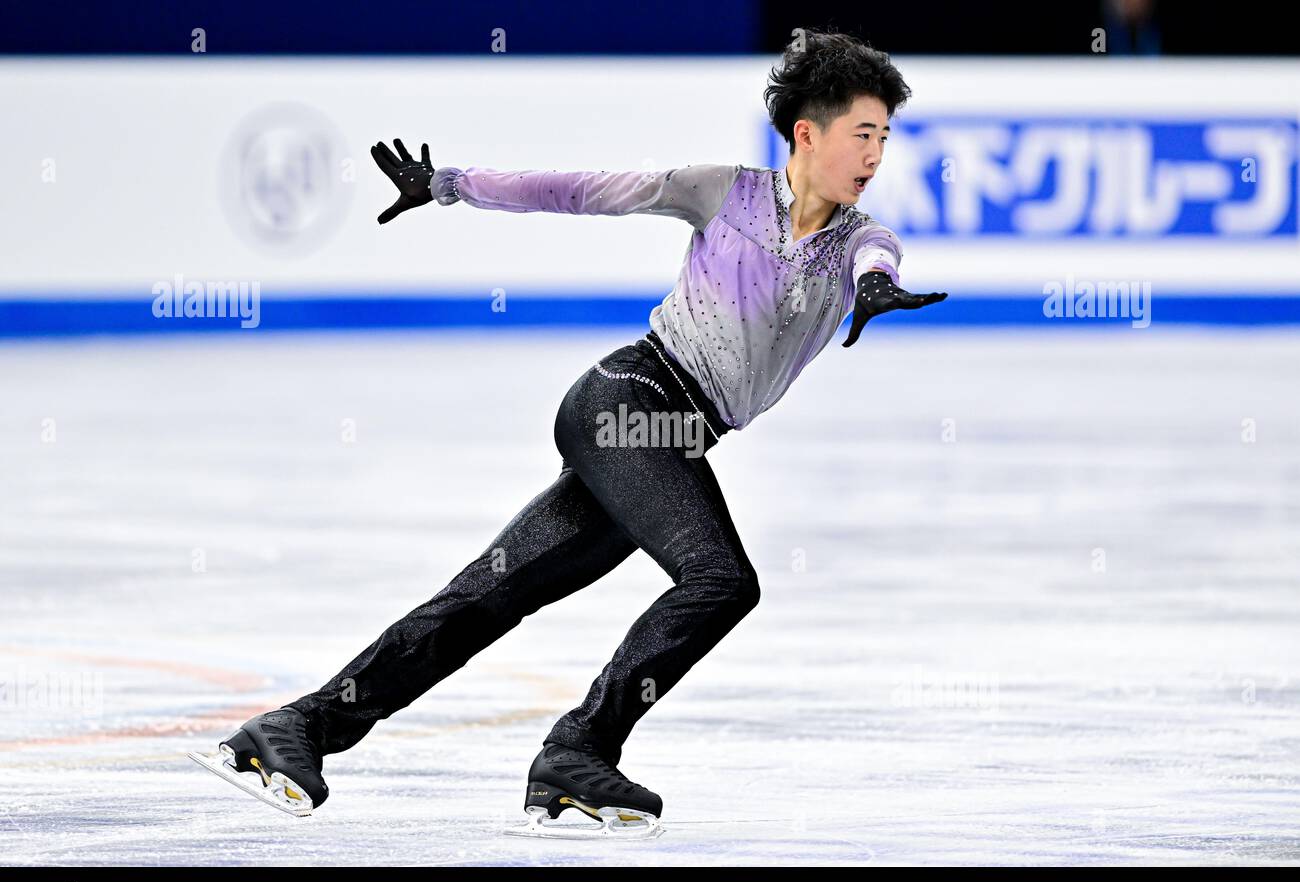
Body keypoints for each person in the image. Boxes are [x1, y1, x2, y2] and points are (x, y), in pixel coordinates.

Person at [188, 28, 947, 837]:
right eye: (863, 134)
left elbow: (879, 251)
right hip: (630, 398)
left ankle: (296, 730)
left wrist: (876, 286)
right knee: (721, 580)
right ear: (809, 132)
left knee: (489, 594)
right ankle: (581, 747)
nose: (874, 155)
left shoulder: (854, 242)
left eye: (885, 140)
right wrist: (448, 182)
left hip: (667, 440)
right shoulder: (720, 191)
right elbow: (583, 189)